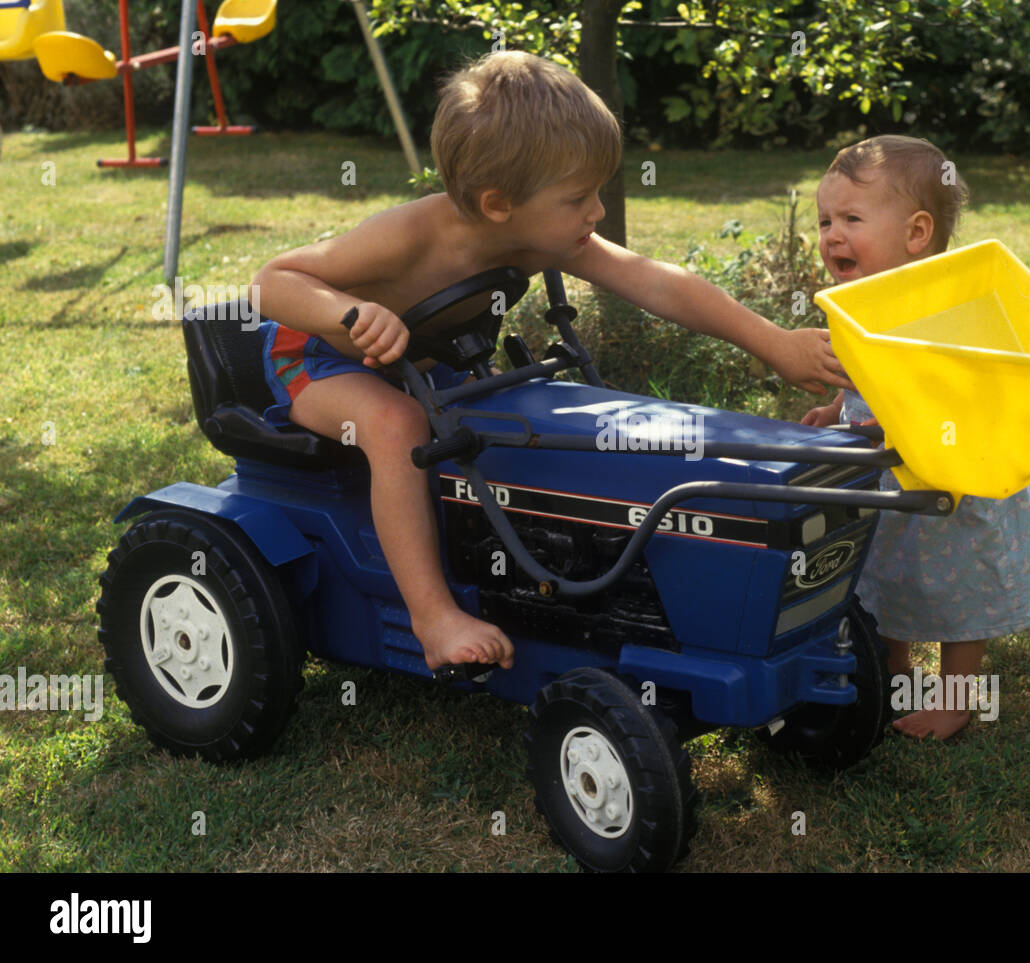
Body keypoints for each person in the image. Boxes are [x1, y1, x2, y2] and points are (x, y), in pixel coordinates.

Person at [251, 51, 851, 673]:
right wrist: (348, 315)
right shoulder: (412, 234)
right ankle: (433, 617)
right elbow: (272, 281)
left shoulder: (545, 233)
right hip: (319, 361)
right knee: (395, 426)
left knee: (521, 424)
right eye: (578, 197)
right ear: (497, 203)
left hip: (430, 365)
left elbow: (656, 282)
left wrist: (773, 341)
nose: (595, 211)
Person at [802, 135, 1030, 739]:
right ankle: (893, 668)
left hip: (956, 483)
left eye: (851, 219)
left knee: (960, 590)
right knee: (884, 573)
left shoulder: (944, 306)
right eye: (825, 220)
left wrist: (891, 424)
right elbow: (866, 384)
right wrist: (837, 409)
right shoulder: (855, 301)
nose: (831, 235)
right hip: (893, 479)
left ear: (917, 233)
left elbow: (964, 392)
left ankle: (957, 698)